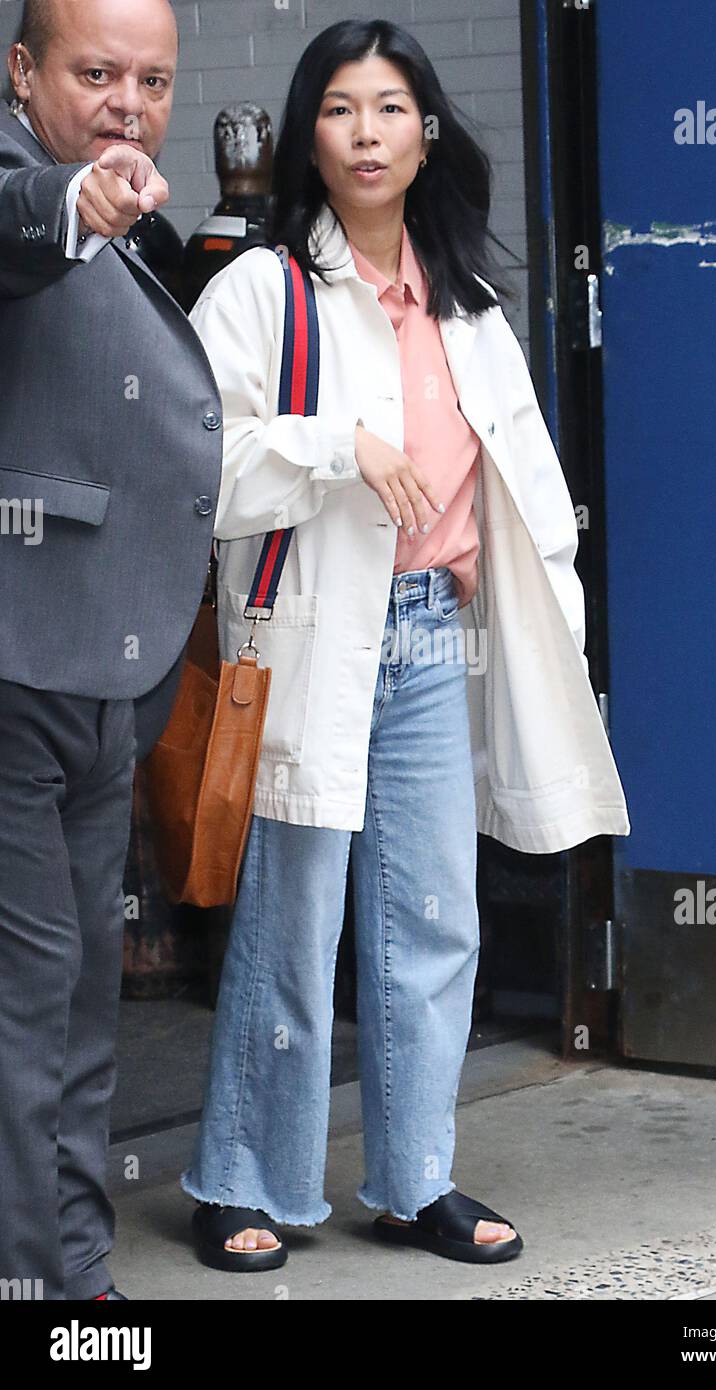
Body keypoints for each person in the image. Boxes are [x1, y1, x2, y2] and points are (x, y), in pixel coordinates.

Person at [180, 18, 630, 1271]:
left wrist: (517, 588)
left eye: (389, 108)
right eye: (338, 107)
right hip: (313, 641)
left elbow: (522, 488)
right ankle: (238, 1180)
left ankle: (414, 1178)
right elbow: (193, 471)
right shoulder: (259, 293)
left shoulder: (467, 305)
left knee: (432, 921)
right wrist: (334, 445)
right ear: (302, 136)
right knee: (292, 919)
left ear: (425, 132)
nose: (365, 132)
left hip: (433, 640)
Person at [0, 0, 223, 1300]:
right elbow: (20, 229)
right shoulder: (36, 195)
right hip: (19, 673)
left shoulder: (122, 215)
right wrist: (70, 198)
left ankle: (74, 1276)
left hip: (98, 673)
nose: (127, 101)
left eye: (151, 78)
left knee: (83, 1001)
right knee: (34, 1010)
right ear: (22, 71)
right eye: (95, 73)